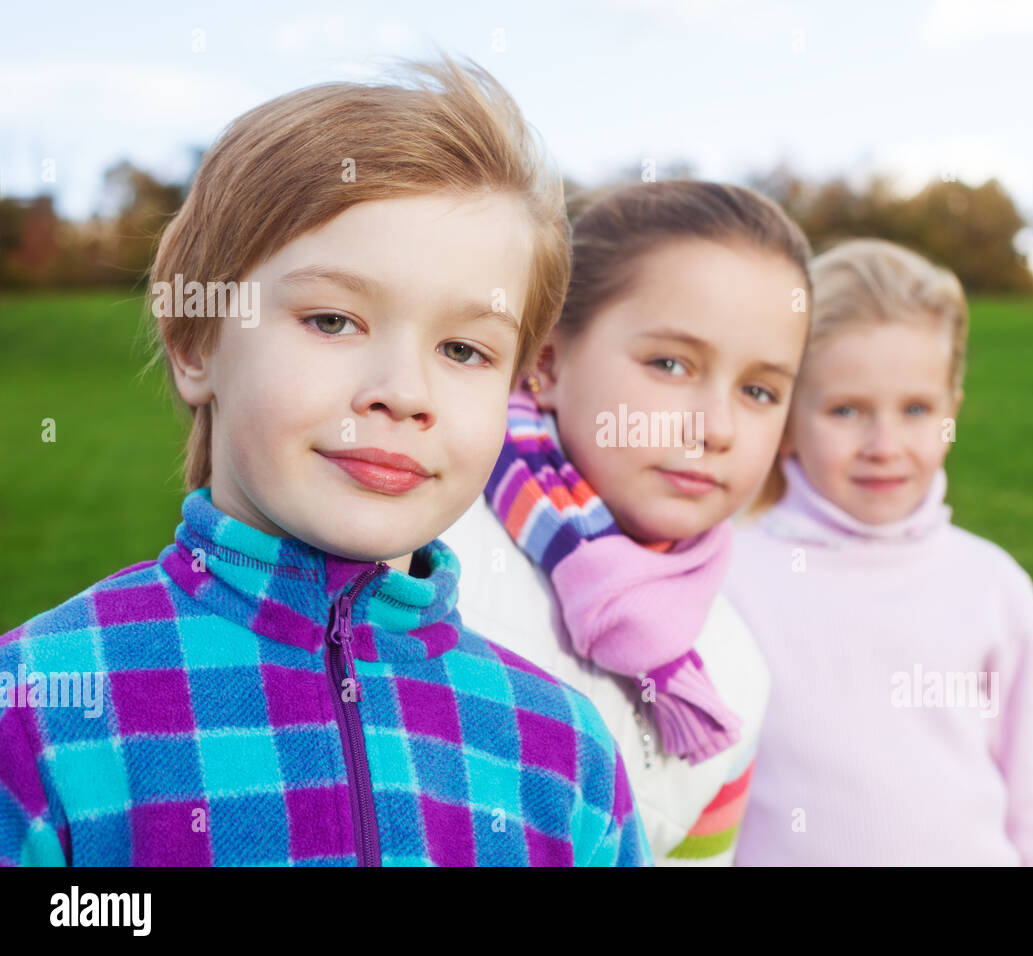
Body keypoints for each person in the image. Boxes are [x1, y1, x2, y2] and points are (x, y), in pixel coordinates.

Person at [0, 57, 650, 867]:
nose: (403, 392)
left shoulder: (565, 753)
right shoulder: (38, 709)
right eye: (334, 320)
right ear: (195, 341)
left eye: (462, 348)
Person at [439, 180, 812, 863]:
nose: (717, 427)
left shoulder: (728, 677)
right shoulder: (420, 561)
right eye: (670, 364)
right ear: (548, 362)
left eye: (760, 391)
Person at [727, 239, 1033, 866]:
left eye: (917, 409)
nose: (884, 444)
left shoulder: (992, 585)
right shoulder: (729, 577)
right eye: (847, 410)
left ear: (953, 413)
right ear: (786, 423)